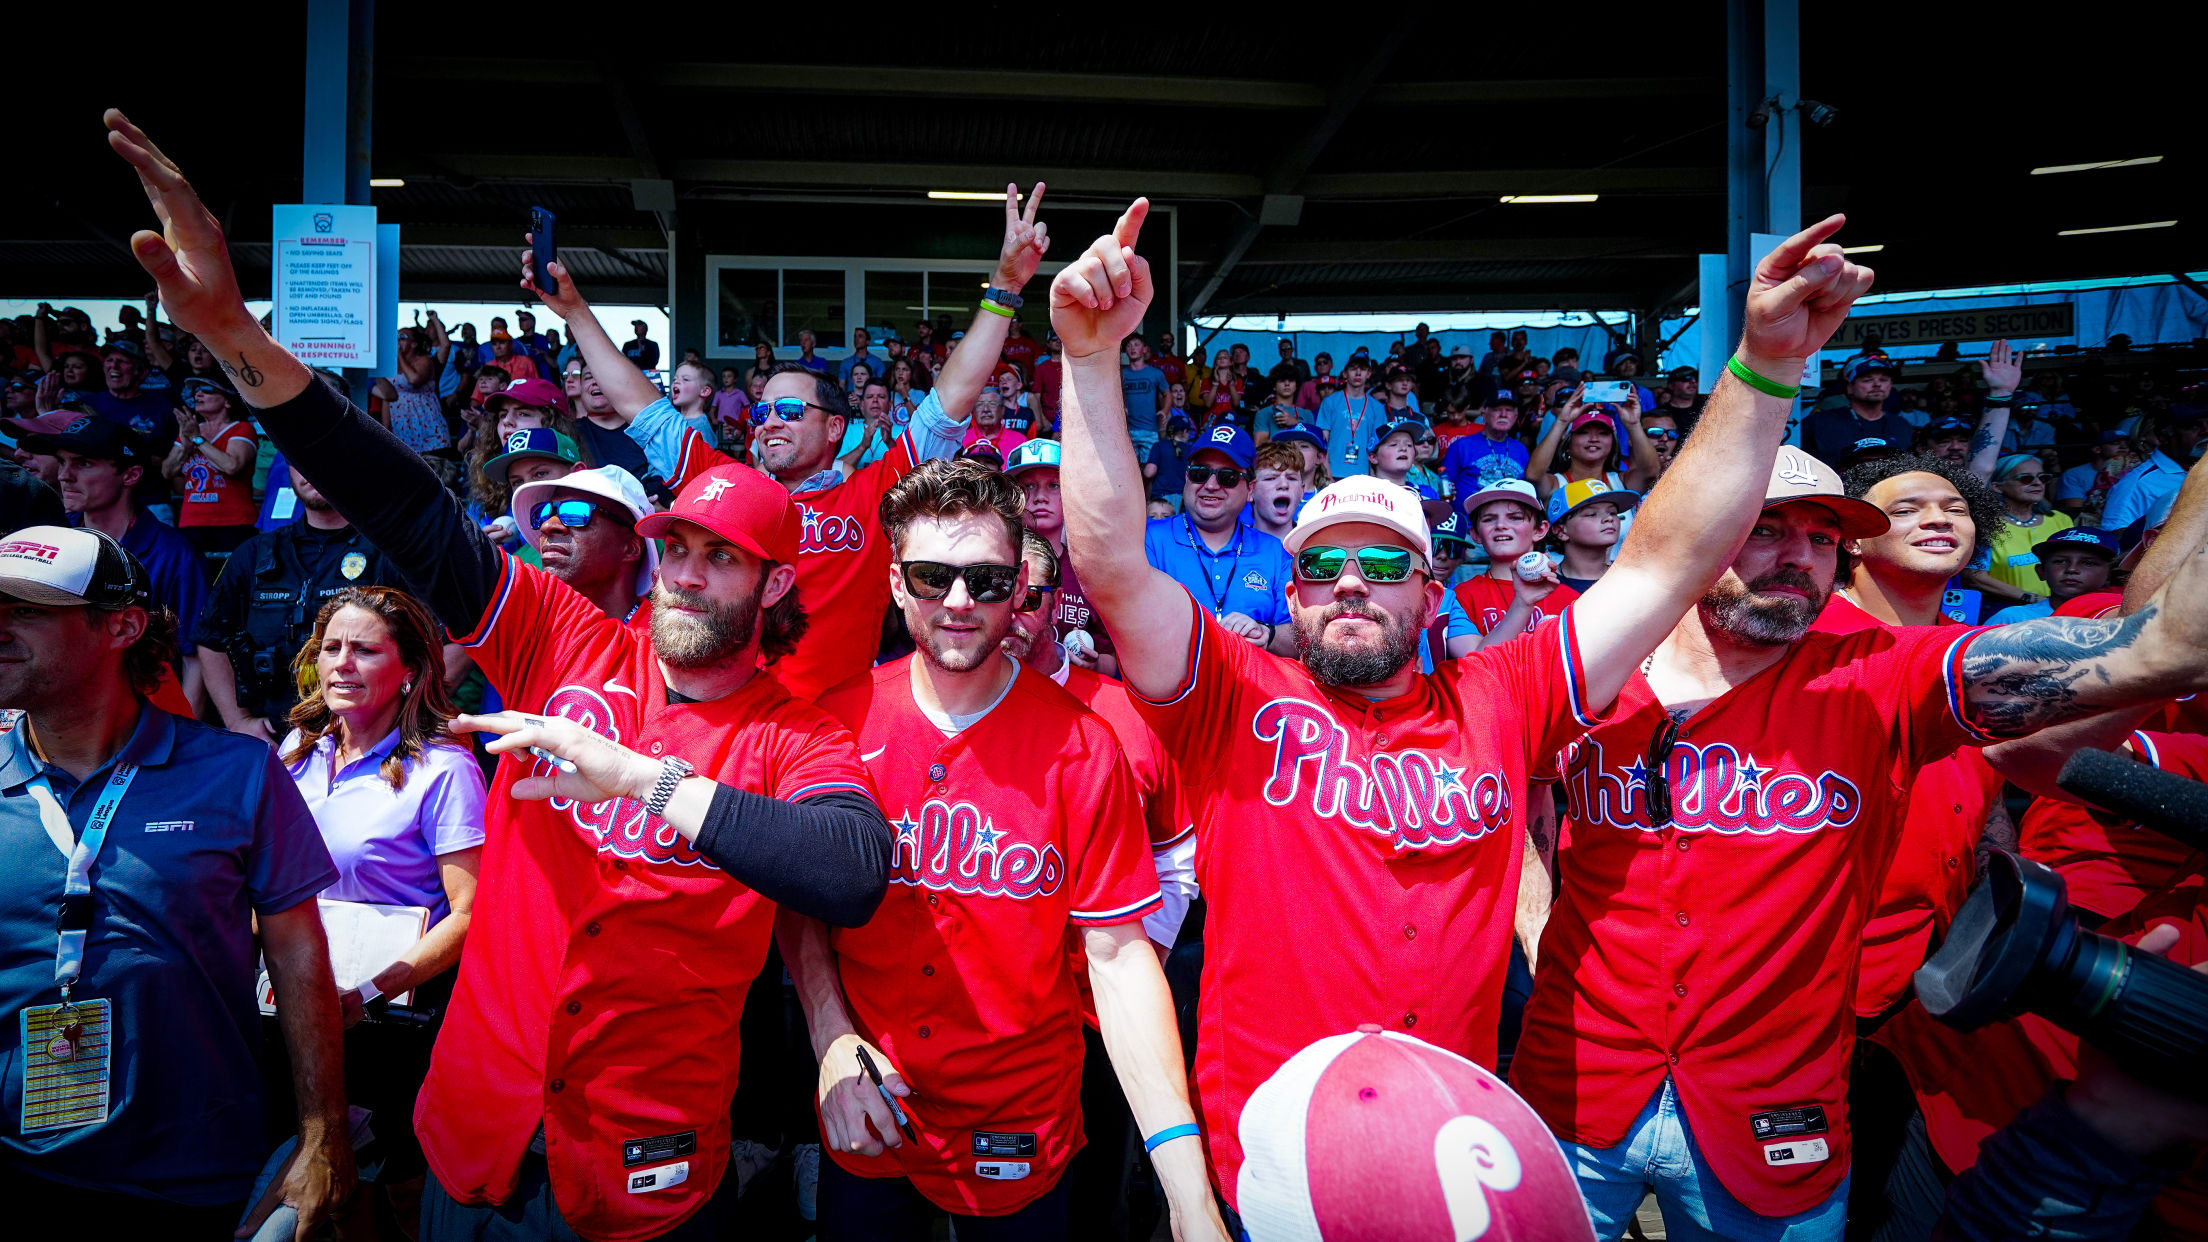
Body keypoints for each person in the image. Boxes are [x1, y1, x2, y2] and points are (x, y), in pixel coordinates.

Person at [107, 108, 892, 1240]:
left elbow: (853, 870)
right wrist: (240, 336)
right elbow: (411, 510)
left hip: (642, 1172)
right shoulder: (566, 638)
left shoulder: (796, 735)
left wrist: (643, 781)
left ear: (773, 587)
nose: (683, 571)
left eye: (721, 559)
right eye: (674, 544)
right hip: (474, 1135)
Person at [1052, 198, 1878, 1224]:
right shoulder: (1230, 693)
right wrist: (1090, 363)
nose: (1352, 581)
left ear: (1431, 586)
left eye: (1386, 560)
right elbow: (1110, 562)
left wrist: (1763, 364)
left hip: (1453, 1149)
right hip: (1261, 1147)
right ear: (1293, 589)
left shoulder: (1512, 690)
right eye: (1323, 566)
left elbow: (1667, 559)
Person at [1511, 425, 2208, 1238]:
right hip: (1573, 1082)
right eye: (1766, 527)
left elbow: (2168, 646)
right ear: (1693, 534)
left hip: (1775, 1109)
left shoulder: (1884, 674)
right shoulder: (1583, 665)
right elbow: (1521, 808)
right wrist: (1537, 937)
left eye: (1824, 536)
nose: (1800, 554)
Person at [786, 461, 1225, 1241]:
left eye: (986, 580)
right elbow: (802, 905)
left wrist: (1187, 1190)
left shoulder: (1085, 746)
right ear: (895, 583)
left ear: (1019, 587)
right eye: (931, 577)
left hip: (1019, 1115)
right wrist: (829, 1038)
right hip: (869, 1100)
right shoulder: (836, 720)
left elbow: (1120, 959)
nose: (958, 602)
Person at [565, 183, 1048, 701]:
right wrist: (573, 310)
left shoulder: (875, 495)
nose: (771, 421)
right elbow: (643, 409)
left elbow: (951, 399)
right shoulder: (723, 490)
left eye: (791, 411)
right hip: (732, 730)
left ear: (835, 428)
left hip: (836, 735)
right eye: (763, 411)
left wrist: (1001, 290)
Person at [0, 524, 351, 1236]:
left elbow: (298, 959)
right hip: (14, 1165)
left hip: (192, 1172)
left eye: (26, 611)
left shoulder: (240, 773)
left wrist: (322, 1132)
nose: (0, 630)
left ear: (123, 626)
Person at [277, 586, 485, 1209]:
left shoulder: (445, 770)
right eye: (332, 647)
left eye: (365, 650)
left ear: (411, 672)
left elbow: (471, 914)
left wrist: (368, 995)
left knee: (394, 1192)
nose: (341, 662)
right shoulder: (295, 752)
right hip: (293, 1001)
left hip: (394, 1019)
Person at [198, 465, 414, 743]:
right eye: (298, 458)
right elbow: (210, 638)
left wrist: (404, 718)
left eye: (323, 457)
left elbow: (449, 639)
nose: (310, 468)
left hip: (369, 744)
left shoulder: (392, 552)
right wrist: (238, 720)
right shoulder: (254, 554)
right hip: (273, 743)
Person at [24, 416, 210, 707]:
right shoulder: (47, 541)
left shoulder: (175, 554)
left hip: (141, 726)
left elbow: (195, 657)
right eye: (62, 462)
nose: (64, 476)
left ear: (131, 475)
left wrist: (183, 736)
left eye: (83, 463)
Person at [1143, 424, 1295, 657]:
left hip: (1251, 688)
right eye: (1200, 473)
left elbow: (1299, 637)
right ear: (1186, 478)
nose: (1211, 485)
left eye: (1228, 477)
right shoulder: (1149, 539)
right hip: (1172, 689)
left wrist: (1266, 633)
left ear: (1250, 489)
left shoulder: (1274, 552)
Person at [1447, 479, 1575, 657]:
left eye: (1515, 517)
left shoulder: (1570, 599)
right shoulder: (1462, 596)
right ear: (1475, 534)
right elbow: (1474, 667)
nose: (1500, 525)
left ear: (1540, 529)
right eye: (1489, 519)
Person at [159, 376, 261, 560]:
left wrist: (198, 440)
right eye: (196, 390)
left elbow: (232, 466)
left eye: (207, 390)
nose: (198, 394)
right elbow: (167, 471)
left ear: (228, 401)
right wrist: (186, 443)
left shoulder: (242, 428)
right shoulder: (191, 430)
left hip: (234, 522)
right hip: (191, 522)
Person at [1970, 452, 2074, 607]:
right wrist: (2034, 599)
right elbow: (1974, 576)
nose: (2037, 483)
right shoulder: (1985, 524)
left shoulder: (2061, 520)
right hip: (2005, 613)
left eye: (2043, 478)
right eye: (2026, 478)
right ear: (1997, 486)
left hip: (2061, 610)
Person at [1984, 526, 2119, 623]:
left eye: (2088, 563)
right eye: (2060, 561)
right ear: (2041, 571)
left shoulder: (2118, 619)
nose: (2072, 569)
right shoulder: (2012, 619)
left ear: (2109, 575)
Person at [2101, 404, 2205, 530]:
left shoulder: (2202, 470)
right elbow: (2117, 541)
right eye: (2193, 426)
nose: (2206, 431)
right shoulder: (2138, 485)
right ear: (2164, 437)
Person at [1442, 389, 1532, 508]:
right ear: (1484, 413)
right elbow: (1444, 490)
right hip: (1468, 522)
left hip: (1510, 521)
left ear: (1515, 417)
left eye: (1509, 410)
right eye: (1497, 410)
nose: (1503, 414)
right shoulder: (1461, 446)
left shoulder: (1521, 450)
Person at [1544, 478, 1635, 594]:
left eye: (1612, 512)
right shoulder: (1545, 584)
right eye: (1592, 514)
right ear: (1560, 531)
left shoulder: (1632, 579)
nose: (1609, 518)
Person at [1312, 353, 1385, 482]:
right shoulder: (1330, 402)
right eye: (1353, 368)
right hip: (1333, 473)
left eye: (1362, 369)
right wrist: (1326, 472)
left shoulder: (1377, 407)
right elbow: (1323, 441)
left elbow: (1378, 446)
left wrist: (1374, 476)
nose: (1358, 373)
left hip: (1365, 475)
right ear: (1345, 373)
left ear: (1368, 374)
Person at [1120, 333, 1170, 458]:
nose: (1132, 348)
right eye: (1129, 346)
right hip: (1128, 431)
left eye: (1136, 345)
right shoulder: (1121, 374)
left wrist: (1164, 411)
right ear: (1125, 350)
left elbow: (1167, 394)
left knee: (1150, 471)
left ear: (1145, 349)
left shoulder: (1155, 373)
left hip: (1150, 430)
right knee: (1130, 473)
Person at [1246, 441, 1306, 543]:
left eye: (1291, 478)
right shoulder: (1235, 547)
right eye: (1270, 478)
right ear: (1250, 490)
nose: (1283, 484)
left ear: (1302, 491)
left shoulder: (1313, 546)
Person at [1144, 413, 1194, 501]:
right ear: (1185, 431)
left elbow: (1149, 472)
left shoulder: (1159, 446)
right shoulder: (1191, 450)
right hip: (1182, 500)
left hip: (1160, 498)